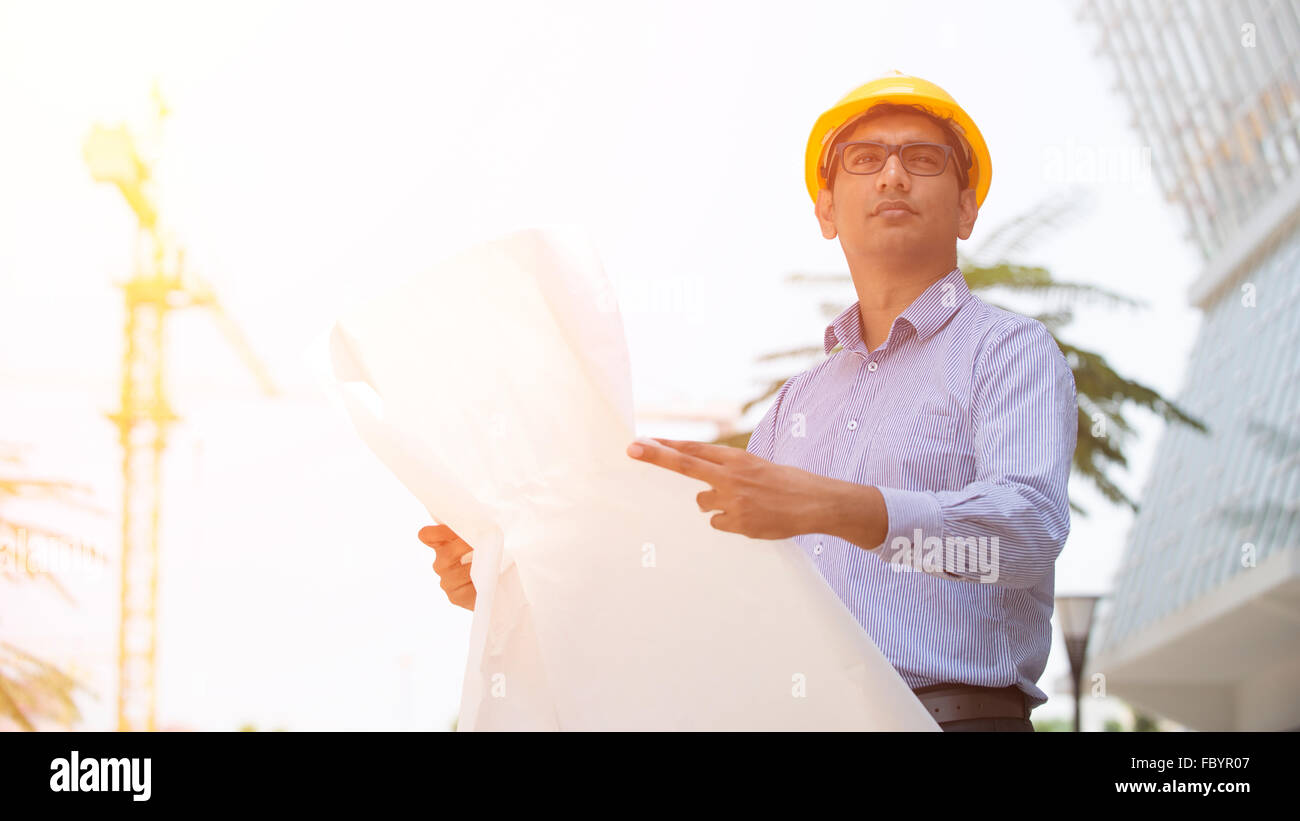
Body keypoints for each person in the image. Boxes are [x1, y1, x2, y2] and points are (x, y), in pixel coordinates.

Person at [420, 71, 1078, 731]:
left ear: (966, 207)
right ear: (826, 210)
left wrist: (829, 506)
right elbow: (719, 600)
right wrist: (515, 592)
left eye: (923, 158)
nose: (893, 176)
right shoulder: (797, 406)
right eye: (865, 158)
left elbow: (1023, 536)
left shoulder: (1008, 351)